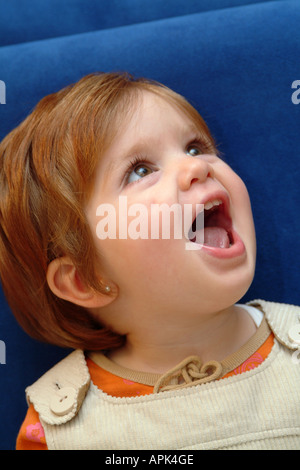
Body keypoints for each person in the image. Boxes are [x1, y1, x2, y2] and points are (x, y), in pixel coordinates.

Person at [0, 72, 299, 450]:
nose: (198, 167)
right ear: (86, 280)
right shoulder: (60, 427)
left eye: (194, 147)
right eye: (141, 170)